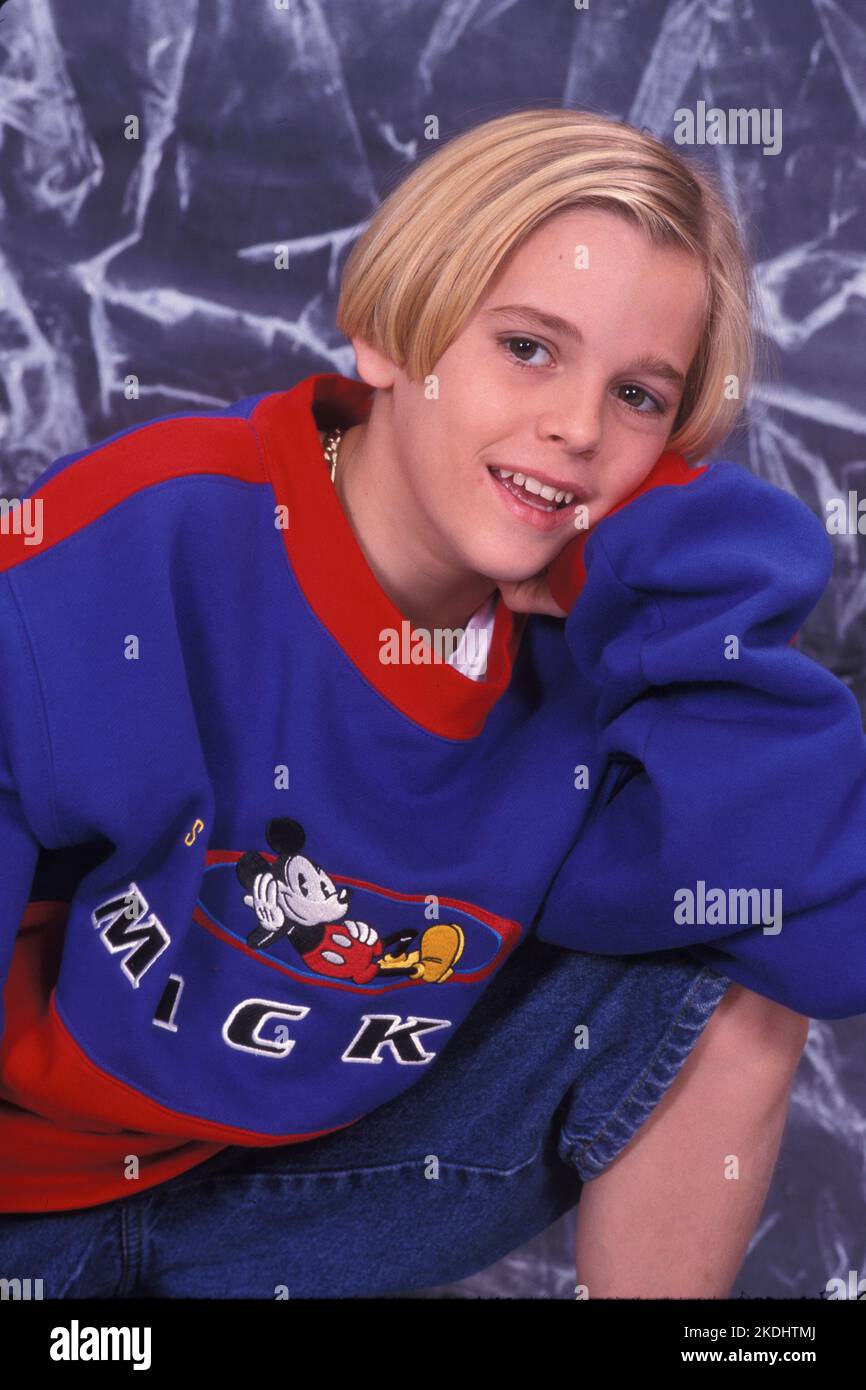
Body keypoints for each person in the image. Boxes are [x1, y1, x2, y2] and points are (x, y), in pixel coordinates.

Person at [0, 107, 862, 1300]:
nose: (573, 427)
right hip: (28, 1204)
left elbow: (816, 935)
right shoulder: (148, 541)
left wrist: (669, 559)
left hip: (291, 1194)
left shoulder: (604, 633)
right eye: (526, 348)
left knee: (719, 964)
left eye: (638, 396)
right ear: (389, 335)